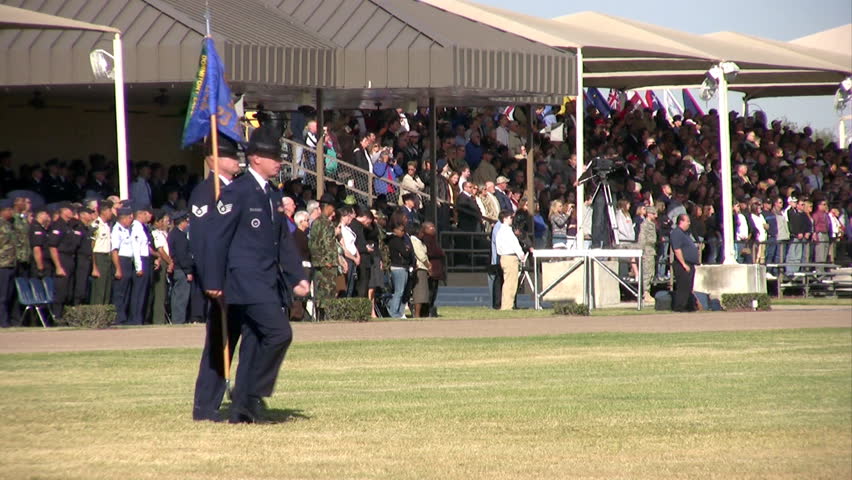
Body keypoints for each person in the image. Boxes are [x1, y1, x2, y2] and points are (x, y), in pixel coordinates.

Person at [205, 125, 309, 423]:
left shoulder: (272, 194)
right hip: (245, 281)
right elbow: (216, 238)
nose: (278, 161)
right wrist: (212, 280)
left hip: (268, 280)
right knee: (279, 333)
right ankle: (250, 391)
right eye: (271, 156)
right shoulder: (237, 192)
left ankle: (243, 409)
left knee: (254, 342)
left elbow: (283, 243)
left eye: (279, 156)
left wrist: (296, 276)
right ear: (254, 159)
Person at [189, 134, 249, 422]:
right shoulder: (206, 193)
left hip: (242, 281)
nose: (236, 160)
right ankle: (205, 407)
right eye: (230, 155)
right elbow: (203, 242)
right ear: (213, 159)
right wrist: (212, 280)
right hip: (222, 284)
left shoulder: (235, 190)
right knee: (218, 344)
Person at [46, 203, 79, 321]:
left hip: (70, 258)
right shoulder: (57, 225)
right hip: (62, 258)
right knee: (61, 290)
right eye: (70, 210)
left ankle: (66, 317)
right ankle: (57, 317)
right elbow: (52, 247)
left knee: (69, 291)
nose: (72, 213)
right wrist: (58, 266)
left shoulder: (68, 226)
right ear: (64, 211)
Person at [308, 193, 339, 315]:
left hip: (317, 262)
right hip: (327, 264)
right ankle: (326, 319)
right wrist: (329, 260)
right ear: (328, 207)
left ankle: (319, 318)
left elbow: (312, 244)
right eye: (333, 208)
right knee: (328, 294)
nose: (334, 211)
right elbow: (328, 243)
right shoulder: (327, 223)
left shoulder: (315, 222)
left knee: (319, 293)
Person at [495, 210, 526, 311]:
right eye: (510, 218)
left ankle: (506, 305)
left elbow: (498, 246)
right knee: (511, 283)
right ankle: (507, 306)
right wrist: (521, 254)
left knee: (507, 282)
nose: (512, 220)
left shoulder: (500, 231)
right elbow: (514, 244)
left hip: (503, 257)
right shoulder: (507, 231)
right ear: (504, 219)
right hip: (510, 257)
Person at [110, 207, 136, 325]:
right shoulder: (117, 230)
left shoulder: (126, 229)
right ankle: (118, 318)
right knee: (119, 292)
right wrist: (118, 268)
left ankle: (123, 316)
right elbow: (114, 251)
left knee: (126, 290)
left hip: (128, 261)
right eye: (129, 218)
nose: (131, 220)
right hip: (121, 261)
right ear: (123, 218)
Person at [670, 214, 699, 312]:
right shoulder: (676, 233)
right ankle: (679, 307)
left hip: (690, 263)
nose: (689, 223)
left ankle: (688, 306)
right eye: (687, 221)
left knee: (688, 286)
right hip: (682, 264)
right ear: (681, 222)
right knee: (683, 286)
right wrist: (683, 264)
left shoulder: (685, 234)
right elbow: (677, 249)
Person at [168, 211, 192, 325]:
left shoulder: (174, 234)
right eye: (186, 221)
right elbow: (182, 255)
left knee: (177, 295)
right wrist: (188, 271)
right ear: (182, 222)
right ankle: (179, 320)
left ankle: (177, 319)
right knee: (181, 296)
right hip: (181, 269)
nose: (187, 224)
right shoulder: (179, 236)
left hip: (178, 268)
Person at [128, 208, 151, 325]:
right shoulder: (136, 228)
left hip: (145, 259)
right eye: (145, 214)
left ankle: (138, 318)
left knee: (142, 292)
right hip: (141, 260)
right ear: (141, 214)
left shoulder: (142, 228)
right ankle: (135, 318)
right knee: (138, 291)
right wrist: (139, 267)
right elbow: (136, 249)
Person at [387, 220, 413, 319]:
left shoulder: (398, 240)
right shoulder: (396, 240)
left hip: (399, 267)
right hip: (399, 267)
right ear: (395, 230)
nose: (403, 232)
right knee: (399, 291)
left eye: (404, 230)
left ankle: (397, 311)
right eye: (401, 230)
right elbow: (406, 253)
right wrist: (407, 249)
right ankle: (394, 312)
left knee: (400, 291)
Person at [150, 210, 172, 324]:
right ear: (158, 222)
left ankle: (161, 317)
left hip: (166, 262)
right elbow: (161, 250)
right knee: (160, 292)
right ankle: (158, 319)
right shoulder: (156, 233)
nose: (166, 223)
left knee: (164, 292)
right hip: (163, 262)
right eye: (164, 221)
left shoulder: (164, 233)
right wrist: (170, 262)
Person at [90, 201, 114, 304]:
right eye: (109, 210)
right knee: (100, 288)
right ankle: (97, 314)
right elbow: (92, 246)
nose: (111, 213)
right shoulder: (96, 225)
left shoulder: (107, 226)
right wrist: (94, 266)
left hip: (108, 257)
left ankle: (105, 313)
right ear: (103, 211)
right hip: (99, 257)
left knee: (107, 287)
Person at [0, 199, 16, 328]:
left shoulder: (9, 224)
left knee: (8, 294)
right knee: (2, 296)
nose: (12, 212)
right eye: (9, 209)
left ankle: (7, 320)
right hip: (2, 264)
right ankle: (3, 322)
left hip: (10, 263)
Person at [638, 205, 658, 304]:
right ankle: (645, 293)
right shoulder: (645, 224)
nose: (656, 215)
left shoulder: (652, 224)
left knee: (651, 272)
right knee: (647, 272)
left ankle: (648, 292)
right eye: (654, 214)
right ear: (649, 214)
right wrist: (641, 251)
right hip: (647, 251)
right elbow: (642, 238)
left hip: (651, 250)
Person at [409, 225, 431, 317]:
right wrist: (429, 266)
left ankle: (420, 313)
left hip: (423, 268)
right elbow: (421, 255)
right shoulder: (414, 241)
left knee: (423, 294)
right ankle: (417, 314)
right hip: (420, 268)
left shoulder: (420, 241)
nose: (423, 234)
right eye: (421, 232)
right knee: (419, 293)